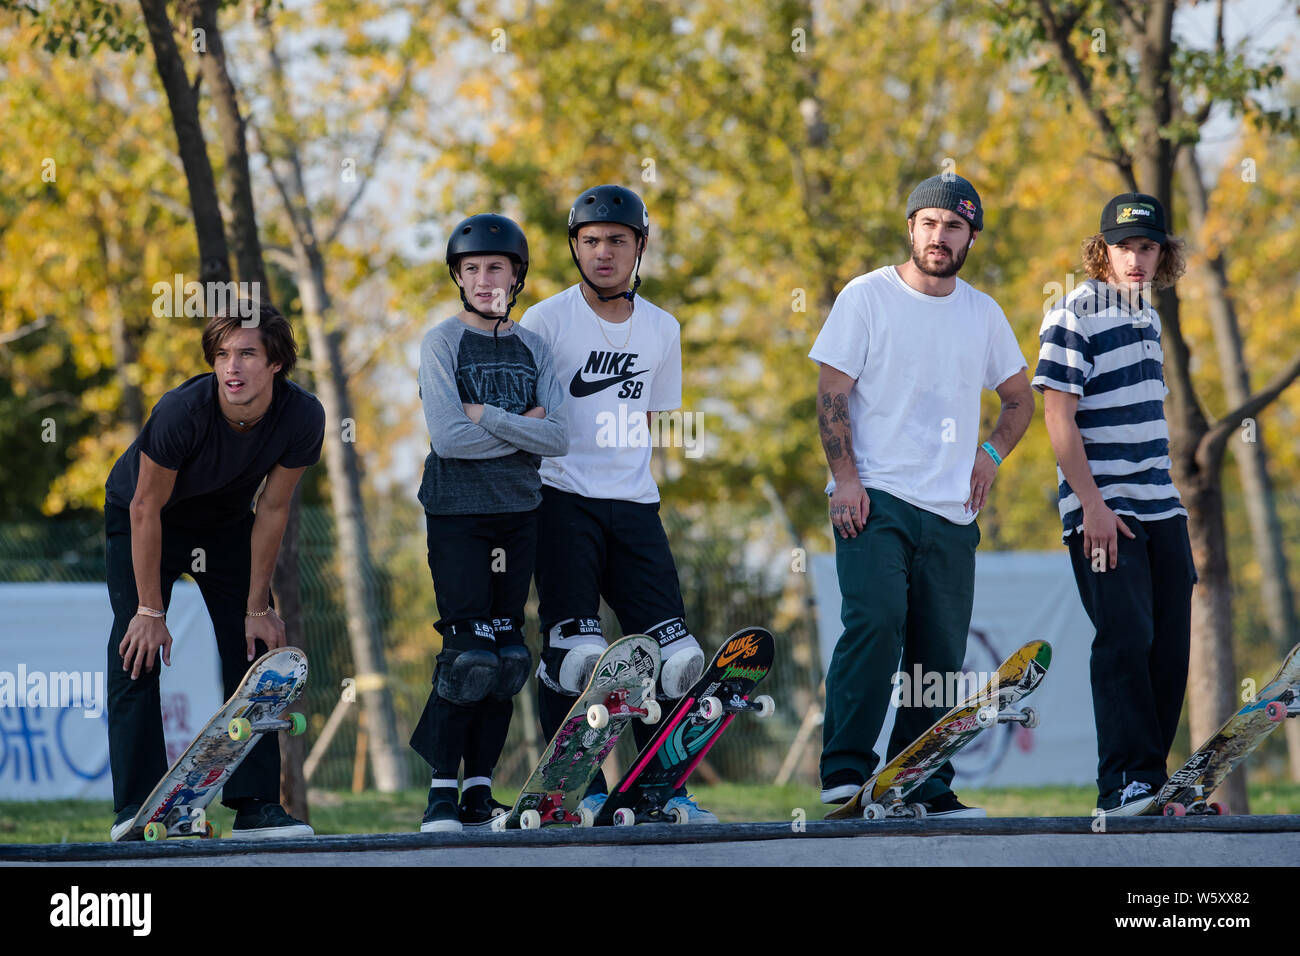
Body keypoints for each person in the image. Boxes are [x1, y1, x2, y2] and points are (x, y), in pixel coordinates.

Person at [812, 174, 1033, 817]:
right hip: (875, 497)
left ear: (970, 238)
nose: (940, 237)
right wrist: (847, 478)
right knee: (876, 620)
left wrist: (989, 455)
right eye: (930, 223)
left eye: (955, 227)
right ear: (911, 228)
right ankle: (846, 770)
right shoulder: (867, 297)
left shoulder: (983, 312)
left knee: (939, 652)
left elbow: (1019, 398)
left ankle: (921, 781)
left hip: (951, 514)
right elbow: (832, 393)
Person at [518, 184, 710, 822]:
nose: (603, 253)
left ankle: (662, 791)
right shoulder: (545, 320)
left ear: (640, 247)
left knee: (676, 658)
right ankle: (580, 791)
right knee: (576, 656)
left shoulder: (663, 328)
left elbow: (649, 418)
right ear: (575, 247)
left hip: (635, 507)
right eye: (591, 241)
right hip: (561, 499)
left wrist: (629, 483)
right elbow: (527, 416)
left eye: (617, 241)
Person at [104, 301, 325, 841]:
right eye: (222, 354)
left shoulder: (303, 416)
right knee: (136, 648)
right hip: (146, 516)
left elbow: (273, 509)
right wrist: (150, 610)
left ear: (276, 363)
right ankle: (137, 807)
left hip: (225, 523)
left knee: (256, 654)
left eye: (247, 353)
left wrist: (258, 608)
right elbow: (143, 508)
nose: (232, 366)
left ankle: (254, 806)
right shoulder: (182, 411)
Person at [1033, 192, 1193, 815]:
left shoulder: (1148, 318)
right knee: (1125, 638)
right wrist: (1092, 506)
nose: (1136, 259)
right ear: (1103, 251)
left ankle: (1148, 783)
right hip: (1104, 509)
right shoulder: (1072, 312)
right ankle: (1120, 783)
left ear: (1162, 254)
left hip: (1162, 507)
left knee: (1169, 645)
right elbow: (1057, 417)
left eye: (1147, 247)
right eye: (1124, 247)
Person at [409, 213, 568, 832]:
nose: (483, 278)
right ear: (457, 276)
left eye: (495, 268)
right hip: (457, 515)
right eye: (471, 269)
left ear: (516, 275)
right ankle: (440, 797)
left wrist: (488, 415)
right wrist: (517, 424)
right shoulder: (441, 343)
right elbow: (448, 439)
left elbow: (557, 437)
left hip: (519, 515)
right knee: (468, 654)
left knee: (506, 659)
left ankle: (479, 794)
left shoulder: (535, 347)